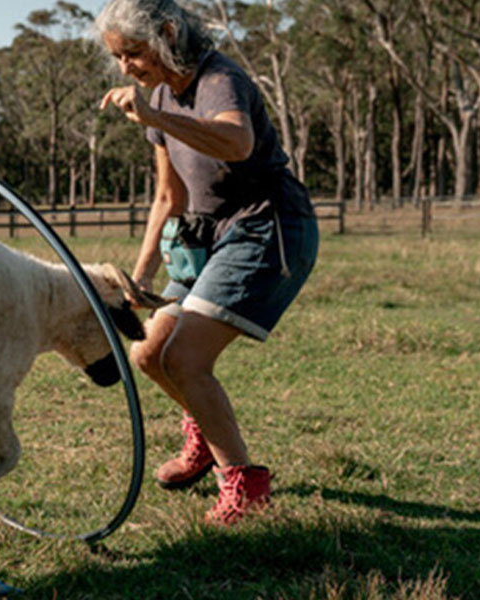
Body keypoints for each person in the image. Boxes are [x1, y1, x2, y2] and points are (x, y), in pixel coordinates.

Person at [94, 0, 319, 525]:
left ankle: (244, 483)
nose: (125, 67)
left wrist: (155, 114)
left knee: (184, 359)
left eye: (132, 53)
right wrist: (142, 275)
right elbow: (168, 197)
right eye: (118, 58)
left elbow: (238, 142)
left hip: (266, 227)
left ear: (168, 33)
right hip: (203, 234)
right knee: (148, 352)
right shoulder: (162, 99)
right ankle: (204, 433)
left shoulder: (219, 78)